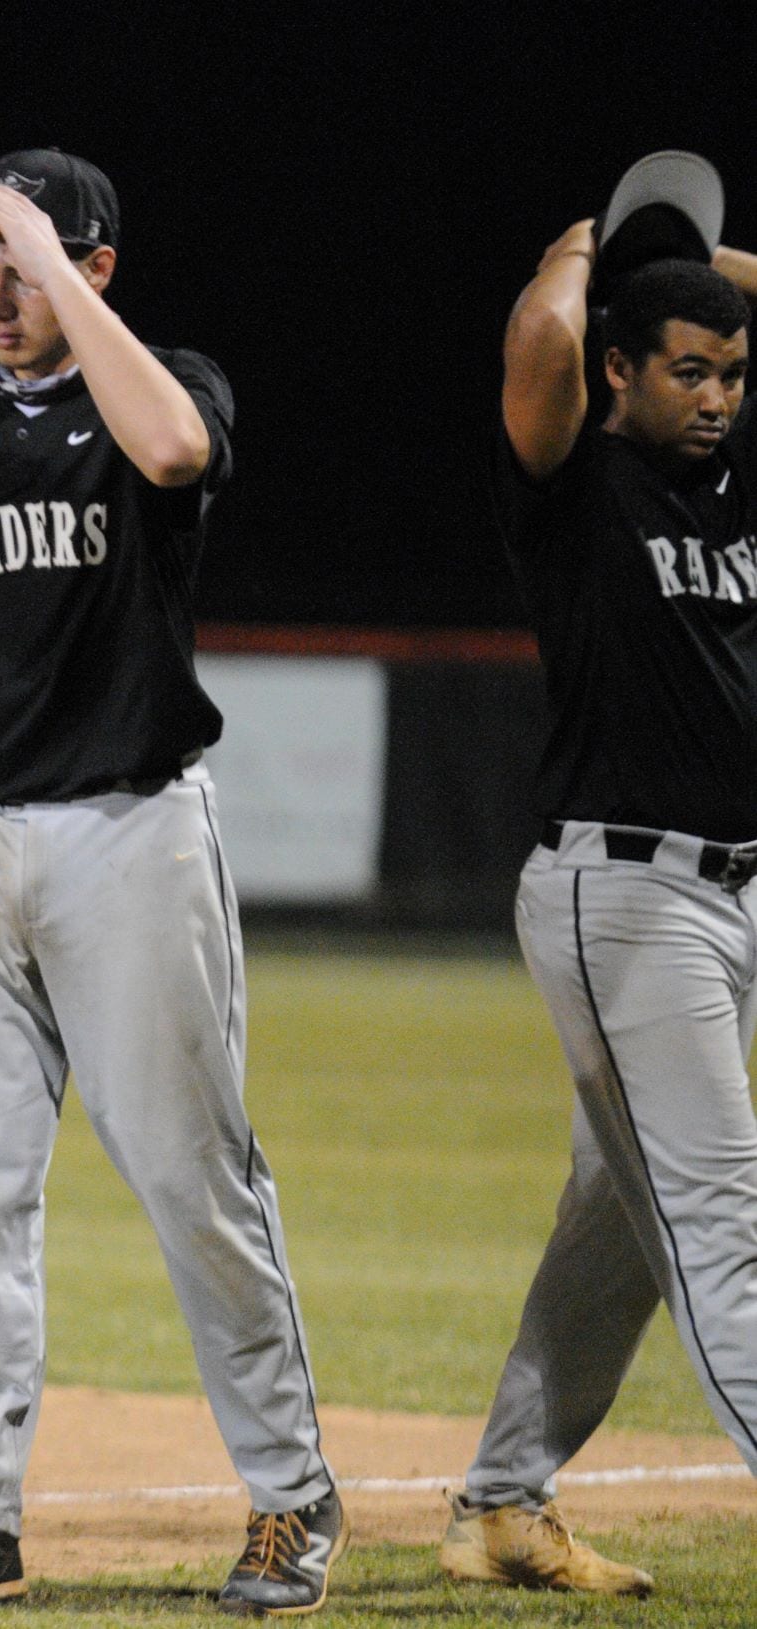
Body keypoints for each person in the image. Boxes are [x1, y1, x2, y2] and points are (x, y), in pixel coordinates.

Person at [0, 150, 341, 1616]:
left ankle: (291, 1496)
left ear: (89, 269)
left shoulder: (159, 383)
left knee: (192, 1176)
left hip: (130, 832)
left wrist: (55, 263)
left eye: (24, 267)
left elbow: (175, 453)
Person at [443, 155, 757, 1597]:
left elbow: (708, 335)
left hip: (731, 893)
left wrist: (698, 264)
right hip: (618, 893)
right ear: (620, 367)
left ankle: (504, 1498)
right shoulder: (575, 481)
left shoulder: (733, 477)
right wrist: (583, 252)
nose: (714, 397)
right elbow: (537, 348)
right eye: (684, 370)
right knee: (720, 1218)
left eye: (733, 374)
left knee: (616, 1221)